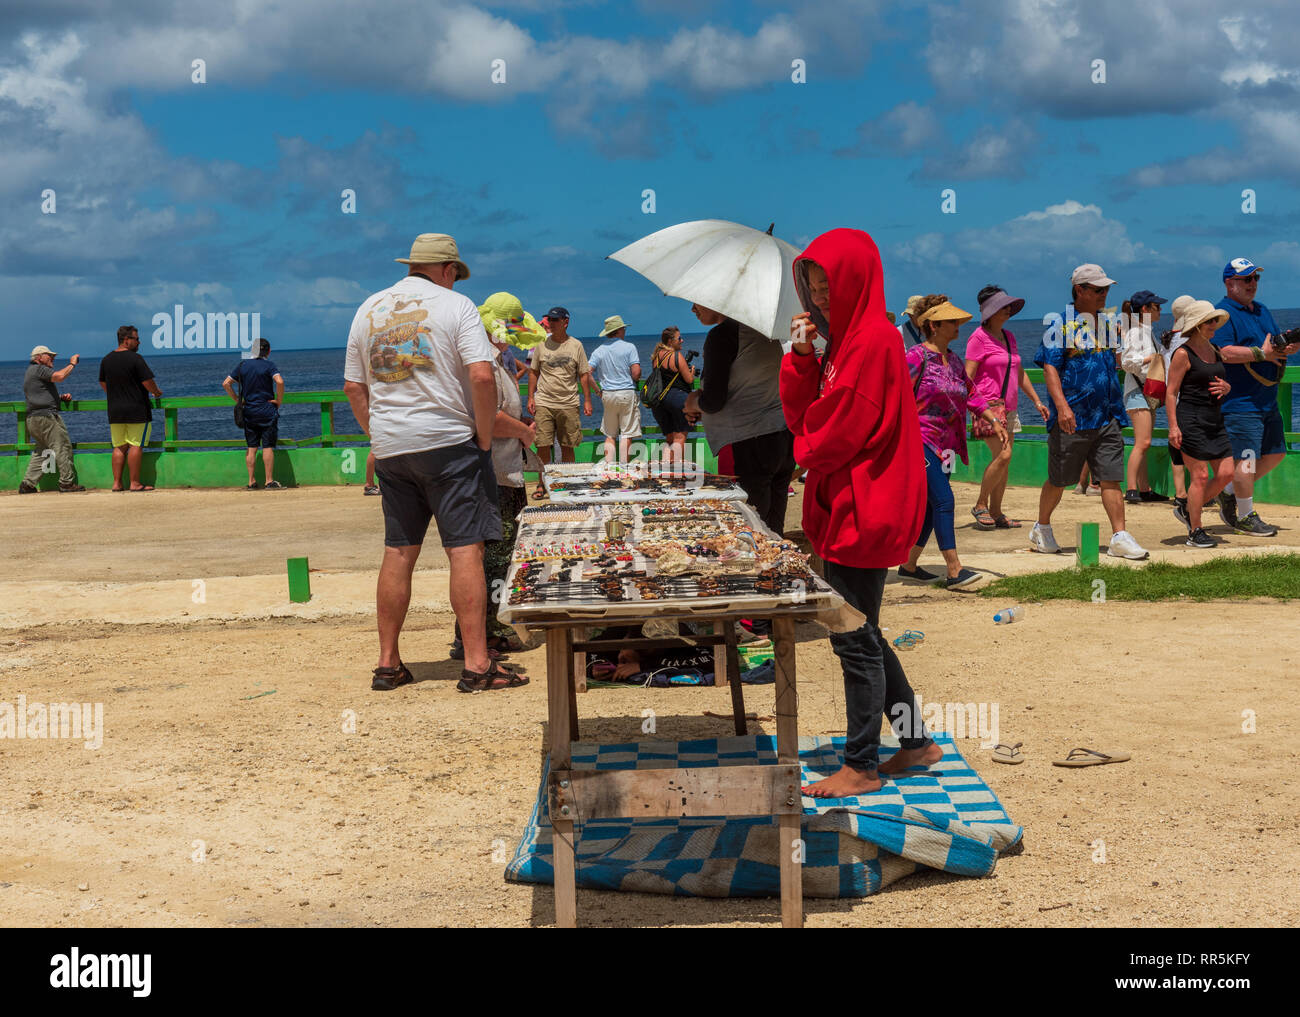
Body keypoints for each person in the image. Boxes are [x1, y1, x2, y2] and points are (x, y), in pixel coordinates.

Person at [782, 228, 939, 799]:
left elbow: (834, 429)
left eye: (830, 283)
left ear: (857, 279)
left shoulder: (871, 339)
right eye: (813, 285)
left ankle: (861, 764)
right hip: (849, 500)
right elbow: (809, 415)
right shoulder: (841, 342)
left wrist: (804, 451)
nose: (821, 296)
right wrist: (801, 360)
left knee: (851, 637)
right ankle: (916, 740)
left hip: (865, 504)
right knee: (865, 630)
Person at [343, 232, 521, 693]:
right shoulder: (455, 306)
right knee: (465, 550)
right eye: (455, 275)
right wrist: (482, 435)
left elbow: (353, 388)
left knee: (398, 551)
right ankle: (478, 664)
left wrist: (378, 433)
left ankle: (388, 664)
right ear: (447, 271)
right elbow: (482, 375)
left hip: (393, 450)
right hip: (449, 444)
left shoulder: (368, 309)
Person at [1030, 264, 1148, 560]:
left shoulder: (1107, 325)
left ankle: (1119, 536)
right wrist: (1062, 408)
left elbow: (1114, 362)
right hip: (1073, 417)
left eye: (1106, 289)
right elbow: (1050, 368)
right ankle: (1041, 526)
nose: (1104, 294)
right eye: (1097, 289)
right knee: (1060, 479)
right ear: (1079, 290)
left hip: (1107, 414)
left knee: (1110, 477)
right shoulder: (1060, 325)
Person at [899, 295, 1007, 589]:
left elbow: (971, 395)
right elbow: (898, 397)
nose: (958, 325)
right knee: (945, 499)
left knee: (931, 508)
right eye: (952, 321)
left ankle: (908, 565)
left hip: (947, 444)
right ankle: (954, 570)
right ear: (933, 325)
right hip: (919, 440)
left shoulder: (955, 360)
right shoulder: (916, 357)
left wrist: (994, 420)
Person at [451, 318, 537, 658]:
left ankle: (493, 626)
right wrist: (523, 432)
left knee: (506, 554)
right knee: (492, 555)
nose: (514, 340)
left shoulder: (500, 360)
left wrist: (520, 425)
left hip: (507, 469)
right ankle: (483, 633)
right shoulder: (483, 362)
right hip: (492, 473)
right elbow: (489, 417)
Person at [682, 306, 794, 535]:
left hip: (748, 443)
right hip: (781, 436)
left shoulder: (722, 335)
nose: (693, 308)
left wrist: (692, 402)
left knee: (749, 529)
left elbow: (713, 401)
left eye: (697, 301)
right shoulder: (765, 333)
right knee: (773, 530)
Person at [1210, 258, 1300, 536]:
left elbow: (1272, 343)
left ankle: (1227, 492)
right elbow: (1223, 352)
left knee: (1276, 453)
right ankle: (1246, 514)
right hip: (1240, 401)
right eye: (1246, 279)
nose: (1252, 284)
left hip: (1266, 398)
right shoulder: (1221, 312)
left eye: (1255, 279)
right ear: (1229, 283)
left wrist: (1286, 348)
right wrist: (1263, 354)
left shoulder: (1261, 310)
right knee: (1247, 459)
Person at [963, 285, 1047, 529]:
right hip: (987, 405)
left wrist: (1037, 401)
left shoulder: (1009, 337)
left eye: (1009, 306)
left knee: (1004, 459)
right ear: (991, 311)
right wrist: (975, 407)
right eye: (1003, 307)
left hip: (1009, 406)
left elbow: (1018, 373)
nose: (1008, 310)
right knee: (1004, 454)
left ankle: (997, 511)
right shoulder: (977, 338)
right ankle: (980, 504)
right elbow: (968, 377)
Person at [1165, 300, 1235, 548]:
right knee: (1200, 476)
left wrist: (1227, 388)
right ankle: (1195, 530)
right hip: (1191, 420)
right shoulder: (1183, 354)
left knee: (1227, 473)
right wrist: (1173, 427)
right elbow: (1171, 393)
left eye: (1215, 320)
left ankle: (1188, 508)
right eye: (1209, 321)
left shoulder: (1215, 350)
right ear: (1196, 326)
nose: (1214, 325)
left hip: (1215, 420)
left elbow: (1220, 381)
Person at [526, 306, 593, 497]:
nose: (551, 324)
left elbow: (583, 375)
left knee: (568, 445)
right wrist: (531, 397)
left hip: (569, 403)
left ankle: (567, 482)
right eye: (549, 320)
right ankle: (543, 484)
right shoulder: (541, 344)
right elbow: (533, 372)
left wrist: (587, 400)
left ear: (566, 322)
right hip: (544, 401)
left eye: (555, 320)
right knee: (542, 445)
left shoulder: (576, 345)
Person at [1119, 290, 1170, 504]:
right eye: (1157, 307)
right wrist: (1151, 358)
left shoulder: (1146, 332)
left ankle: (1144, 488)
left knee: (1143, 443)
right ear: (1145, 310)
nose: (1160, 310)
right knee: (1143, 442)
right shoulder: (1136, 333)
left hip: (1145, 392)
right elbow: (1126, 361)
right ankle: (1132, 488)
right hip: (1138, 391)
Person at [98, 324, 162, 492]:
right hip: (136, 409)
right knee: (135, 445)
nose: (139, 342)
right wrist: (156, 392)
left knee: (119, 446)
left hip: (115, 410)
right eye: (136, 339)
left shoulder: (106, 359)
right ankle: (134, 483)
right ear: (126, 340)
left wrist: (115, 394)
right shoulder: (136, 359)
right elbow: (147, 382)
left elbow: (103, 383)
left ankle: (117, 483)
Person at [18, 345, 85, 493]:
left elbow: (39, 395)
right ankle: (66, 483)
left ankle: (27, 484)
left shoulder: (31, 371)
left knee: (41, 451)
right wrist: (72, 363)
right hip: (46, 417)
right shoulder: (39, 369)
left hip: (33, 419)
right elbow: (60, 377)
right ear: (38, 358)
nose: (52, 357)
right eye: (49, 355)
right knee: (62, 447)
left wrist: (58, 398)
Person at [222, 338, 285, 490]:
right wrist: (278, 400)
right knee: (268, 446)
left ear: (252, 350)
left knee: (251, 447)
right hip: (267, 411)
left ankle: (251, 482)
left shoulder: (243, 365)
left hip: (249, 411)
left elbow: (226, 383)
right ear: (268, 351)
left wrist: (238, 400)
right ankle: (269, 481)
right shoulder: (269, 365)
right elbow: (280, 382)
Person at [588, 315, 642, 463]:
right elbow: (636, 373)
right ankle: (624, 468)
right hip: (626, 393)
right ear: (619, 330)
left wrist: (597, 390)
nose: (624, 330)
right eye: (623, 328)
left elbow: (586, 373)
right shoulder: (630, 347)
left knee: (610, 434)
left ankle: (609, 467)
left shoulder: (599, 350)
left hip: (608, 394)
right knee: (626, 434)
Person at [1160, 294, 1196, 515]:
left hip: (1171, 397)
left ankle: (1180, 493)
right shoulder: (1187, 340)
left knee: (1176, 446)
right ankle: (1194, 493)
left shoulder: (1167, 339)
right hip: (1190, 398)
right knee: (1194, 448)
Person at [647, 324, 696, 468]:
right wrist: (691, 372)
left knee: (670, 439)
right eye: (679, 338)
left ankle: (666, 469)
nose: (682, 341)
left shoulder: (656, 357)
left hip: (659, 401)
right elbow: (689, 380)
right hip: (677, 399)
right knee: (680, 436)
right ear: (670, 341)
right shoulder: (676, 356)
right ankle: (675, 470)